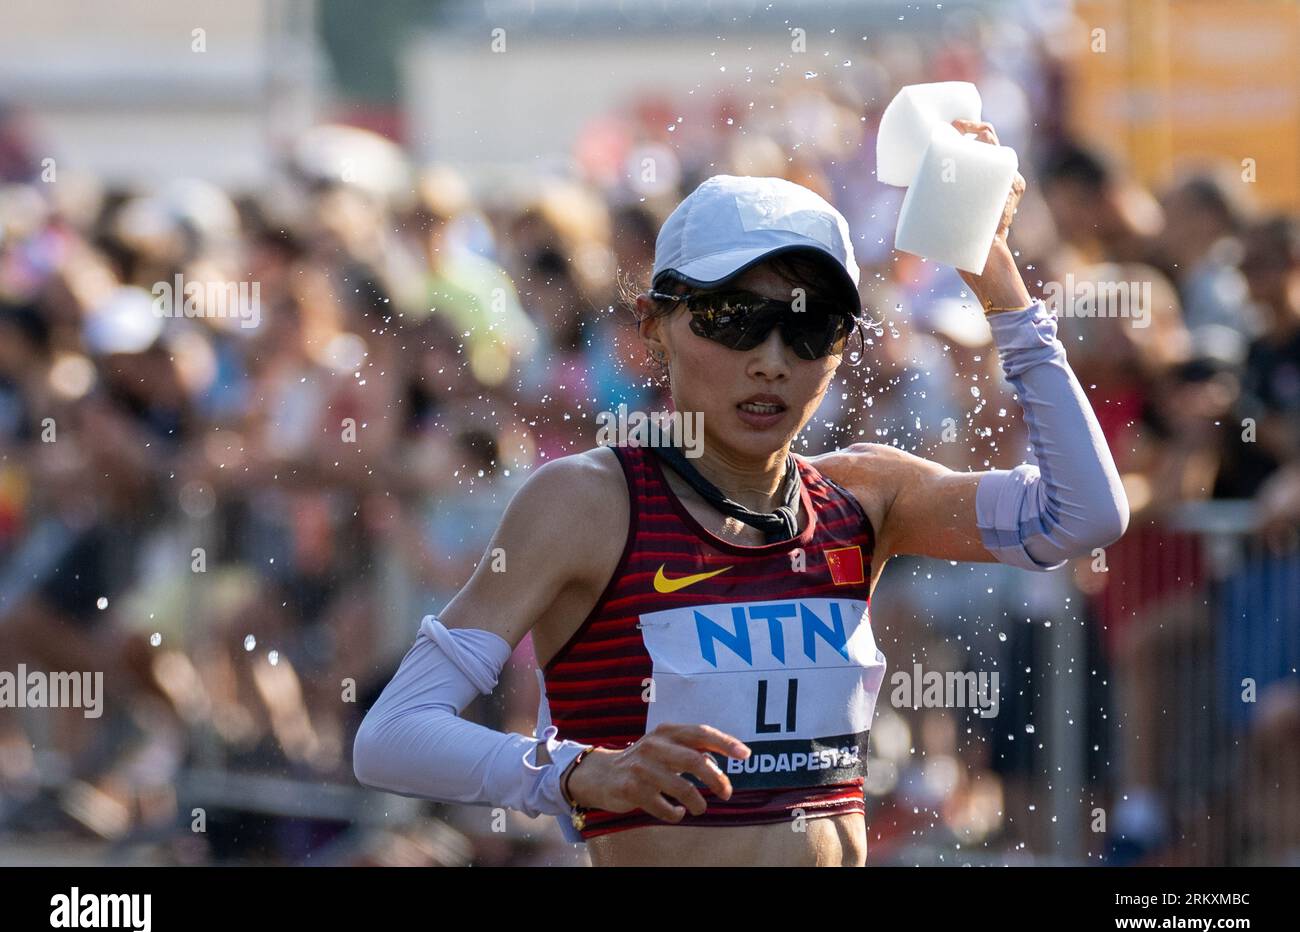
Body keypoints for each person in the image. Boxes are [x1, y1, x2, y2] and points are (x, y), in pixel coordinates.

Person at [352, 120, 1129, 866]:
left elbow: (1085, 513)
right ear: (653, 325)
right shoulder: (587, 502)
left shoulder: (867, 495)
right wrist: (578, 772)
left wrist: (995, 279)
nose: (771, 360)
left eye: (808, 327)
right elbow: (392, 732)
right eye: (733, 318)